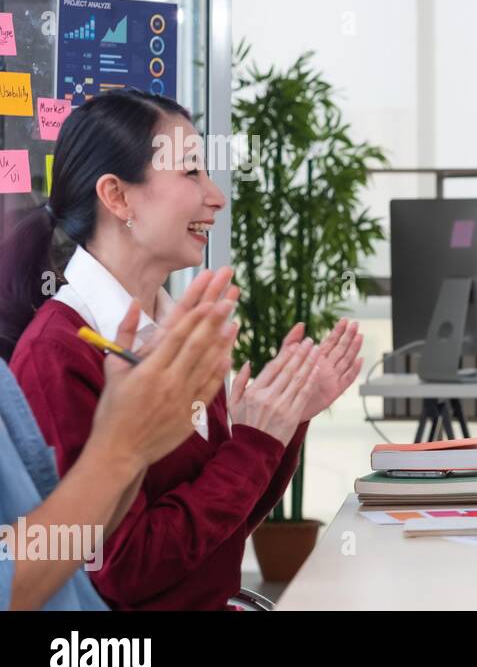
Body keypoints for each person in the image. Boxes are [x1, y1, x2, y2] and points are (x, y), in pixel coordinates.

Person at [0, 89, 363, 608]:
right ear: (118, 197)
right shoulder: (58, 353)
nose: (215, 196)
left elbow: (215, 536)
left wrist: (282, 422)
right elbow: (121, 573)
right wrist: (255, 443)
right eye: (190, 172)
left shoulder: (175, 331)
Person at [2, 271, 234, 610]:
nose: (217, 213)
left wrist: (274, 436)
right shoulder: (53, 348)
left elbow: (77, 543)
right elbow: (120, 565)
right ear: (120, 212)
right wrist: (122, 450)